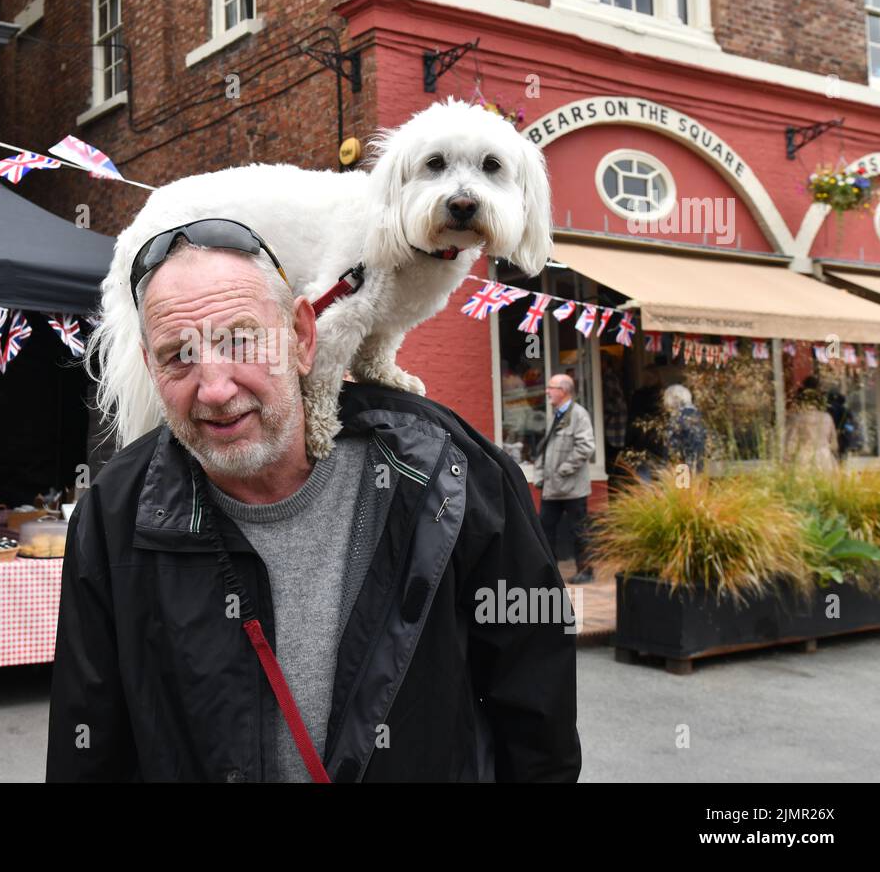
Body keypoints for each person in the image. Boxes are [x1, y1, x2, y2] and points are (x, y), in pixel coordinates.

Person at [46, 223, 580, 782]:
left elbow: (536, 712)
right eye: (178, 355)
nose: (215, 389)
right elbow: (88, 747)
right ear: (150, 366)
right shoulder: (116, 513)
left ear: (302, 337)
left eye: (240, 339)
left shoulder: (442, 471)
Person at [534, 374, 596, 584]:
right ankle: (548, 573)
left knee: (579, 530)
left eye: (551, 387)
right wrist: (541, 474)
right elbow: (548, 449)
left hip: (572, 488)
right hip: (552, 488)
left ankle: (586, 571)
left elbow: (586, 446)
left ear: (564, 391)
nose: (547, 391)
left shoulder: (579, 415)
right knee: (544, 529)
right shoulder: (556, 415)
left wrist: (563, 469)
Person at [784, 378, 838, 471]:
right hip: (825, 458)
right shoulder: (827, 417)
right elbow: (834, 445)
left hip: (804, 458)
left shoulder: (796, 418)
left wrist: (786, 462)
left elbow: (790, 445)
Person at [662, 384, 707, 472]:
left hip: (682, 468)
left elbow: (672, 449)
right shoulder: (698, 415)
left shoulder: (678, 417)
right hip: (699, 465)